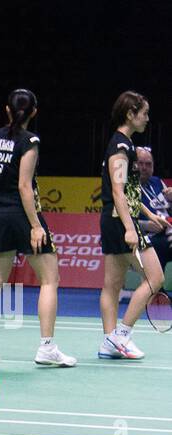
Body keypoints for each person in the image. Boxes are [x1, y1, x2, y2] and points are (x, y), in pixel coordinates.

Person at [0, 89, 75, 367]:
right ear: (34, 112)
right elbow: (23, 185)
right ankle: (47, 348)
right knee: (50, 280)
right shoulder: (30, 141)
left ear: (7, 110)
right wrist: (35, 225)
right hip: (23, 215)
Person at [97, 91, 164, 360]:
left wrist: (149, 213)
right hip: (119, 222)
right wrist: (129, 227)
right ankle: (122, 335)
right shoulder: (121, 148)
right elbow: (117, 190)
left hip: (116, 219)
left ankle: (108, 342)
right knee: (154, 278)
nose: (147, 119)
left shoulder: (124, 145)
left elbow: (130, 191)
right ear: (130, 114)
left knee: (112, 285)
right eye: (144, 113)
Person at [135, 147, 172, 269]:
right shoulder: (127, 187)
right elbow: (120, 222)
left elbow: (168, 211)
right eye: (140, 163)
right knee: (160, 245)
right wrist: (146, 225)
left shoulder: (157, 182)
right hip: (146, 236)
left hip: (166, 232)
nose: (144, 168)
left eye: (148, 164)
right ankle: (156, 286)